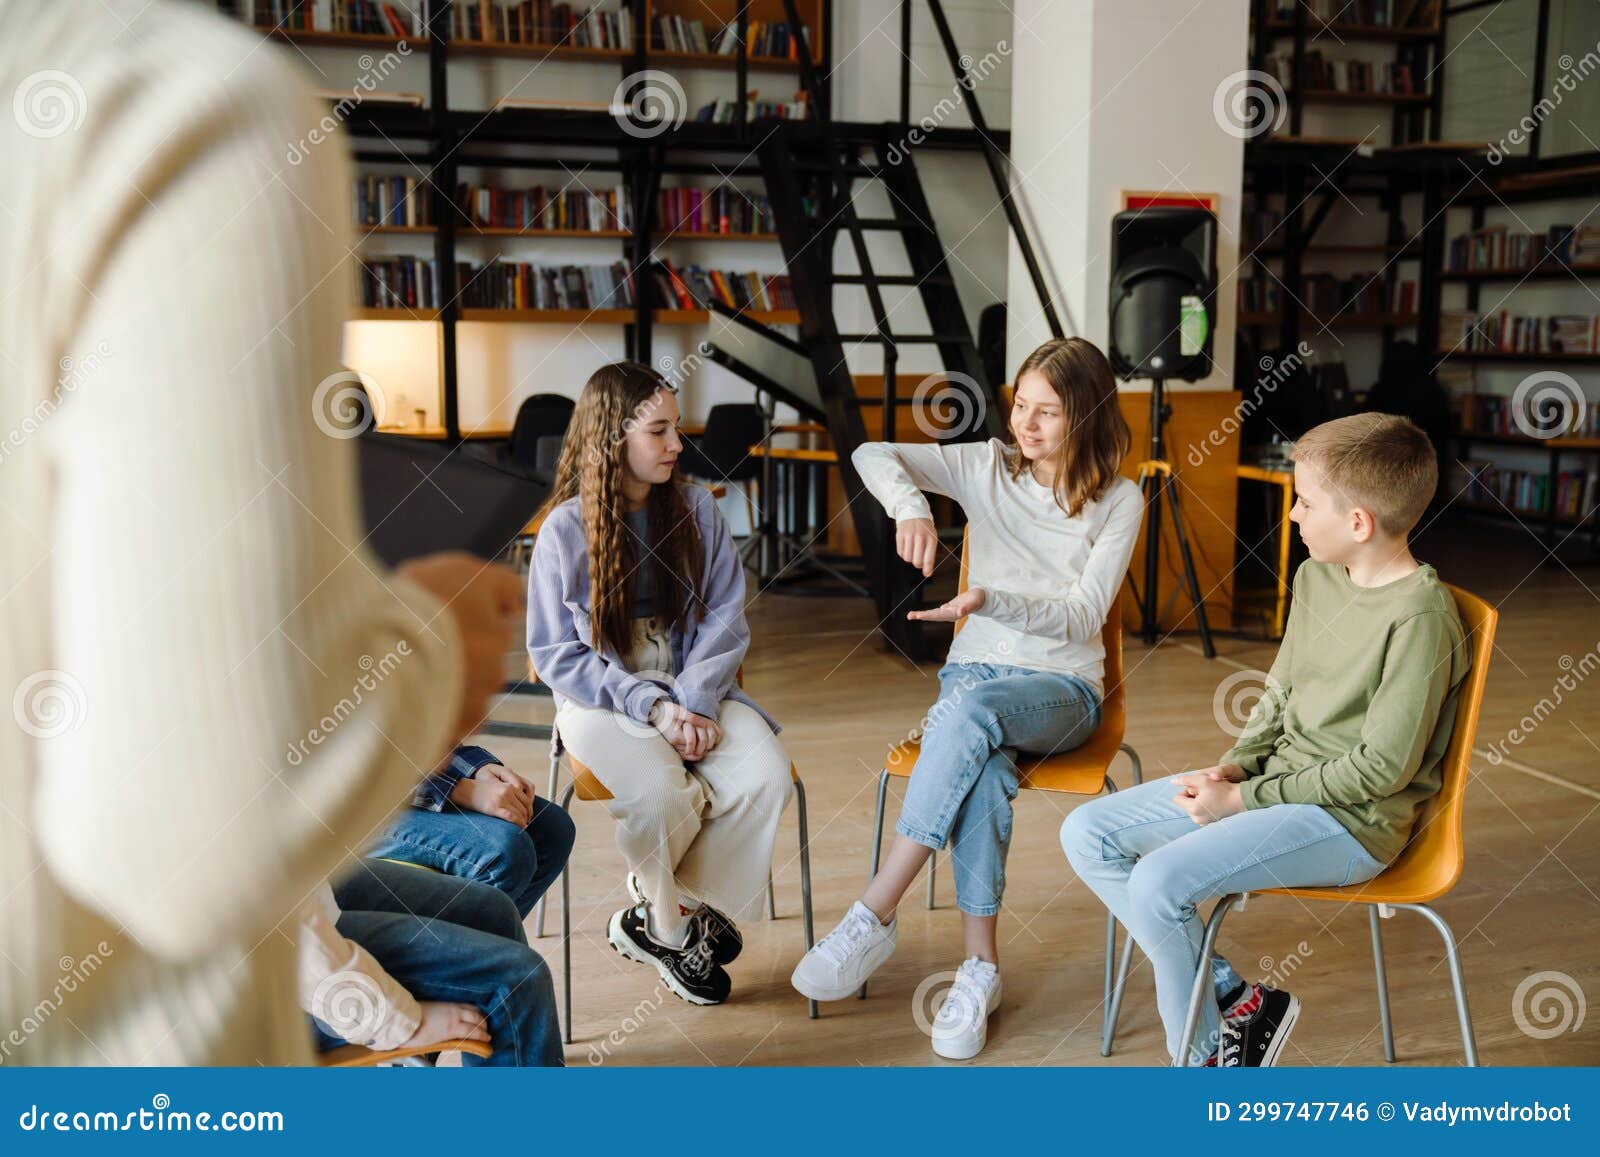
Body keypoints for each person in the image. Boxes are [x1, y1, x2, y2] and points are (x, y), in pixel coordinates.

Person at [2, 0, 521, 1064]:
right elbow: (203, 842)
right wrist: (439, 645)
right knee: (501, 944)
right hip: (119, 1070)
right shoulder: (183, 104)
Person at [1061, 412, 1471, 1067]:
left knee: (1160, 883)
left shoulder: (1421, 617)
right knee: (1086, 832)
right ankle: (1234, 998)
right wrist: (1234, 769)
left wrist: (1248, 800)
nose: (1293, 516)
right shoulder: (1316, 577)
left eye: (1305, 502)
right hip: (1273, 789)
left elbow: (1382, 769)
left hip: (1352, 822)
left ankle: (1199, 1068)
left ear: (1359, 522)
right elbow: (1281, 691)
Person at [791, 337, 1143, 1060]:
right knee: (979, 763)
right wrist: (910, 507)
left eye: (1049, 412)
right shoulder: (984, 464)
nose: (1027, 424)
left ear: (1089, 417)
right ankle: (979, 968)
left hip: (1063, 691)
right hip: (973, 680)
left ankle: (875, 906)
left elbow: (1082, 618)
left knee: (972, 716)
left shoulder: (1119, 500)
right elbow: (870, 454)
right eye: (1022, 404)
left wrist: (992, 599)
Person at [526, 361, 793, 1007]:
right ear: (612, 439)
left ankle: (661, 906)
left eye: (677, 429)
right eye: (659, 430)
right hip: (601, 689)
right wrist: (653, 707)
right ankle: (674, 928)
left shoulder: (698, 507)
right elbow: (554, 652)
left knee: (765, 774)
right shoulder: (564, 529)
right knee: (659, 793)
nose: (677, 444)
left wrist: (693, 701)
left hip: (693, 673)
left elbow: (728, 615)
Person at [301, 859, 562, 1067]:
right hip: (282, 980)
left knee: (491, 912)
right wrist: (395, 1023)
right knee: (517, 979)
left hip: (311, 884)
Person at [366, 745, 577, 920]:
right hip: (357, 811)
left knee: (552, 829)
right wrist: (460, 790)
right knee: (503, 853)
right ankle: (459, 959)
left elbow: (420, 736)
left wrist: (479, 769)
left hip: (412, 781)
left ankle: (495, 949)